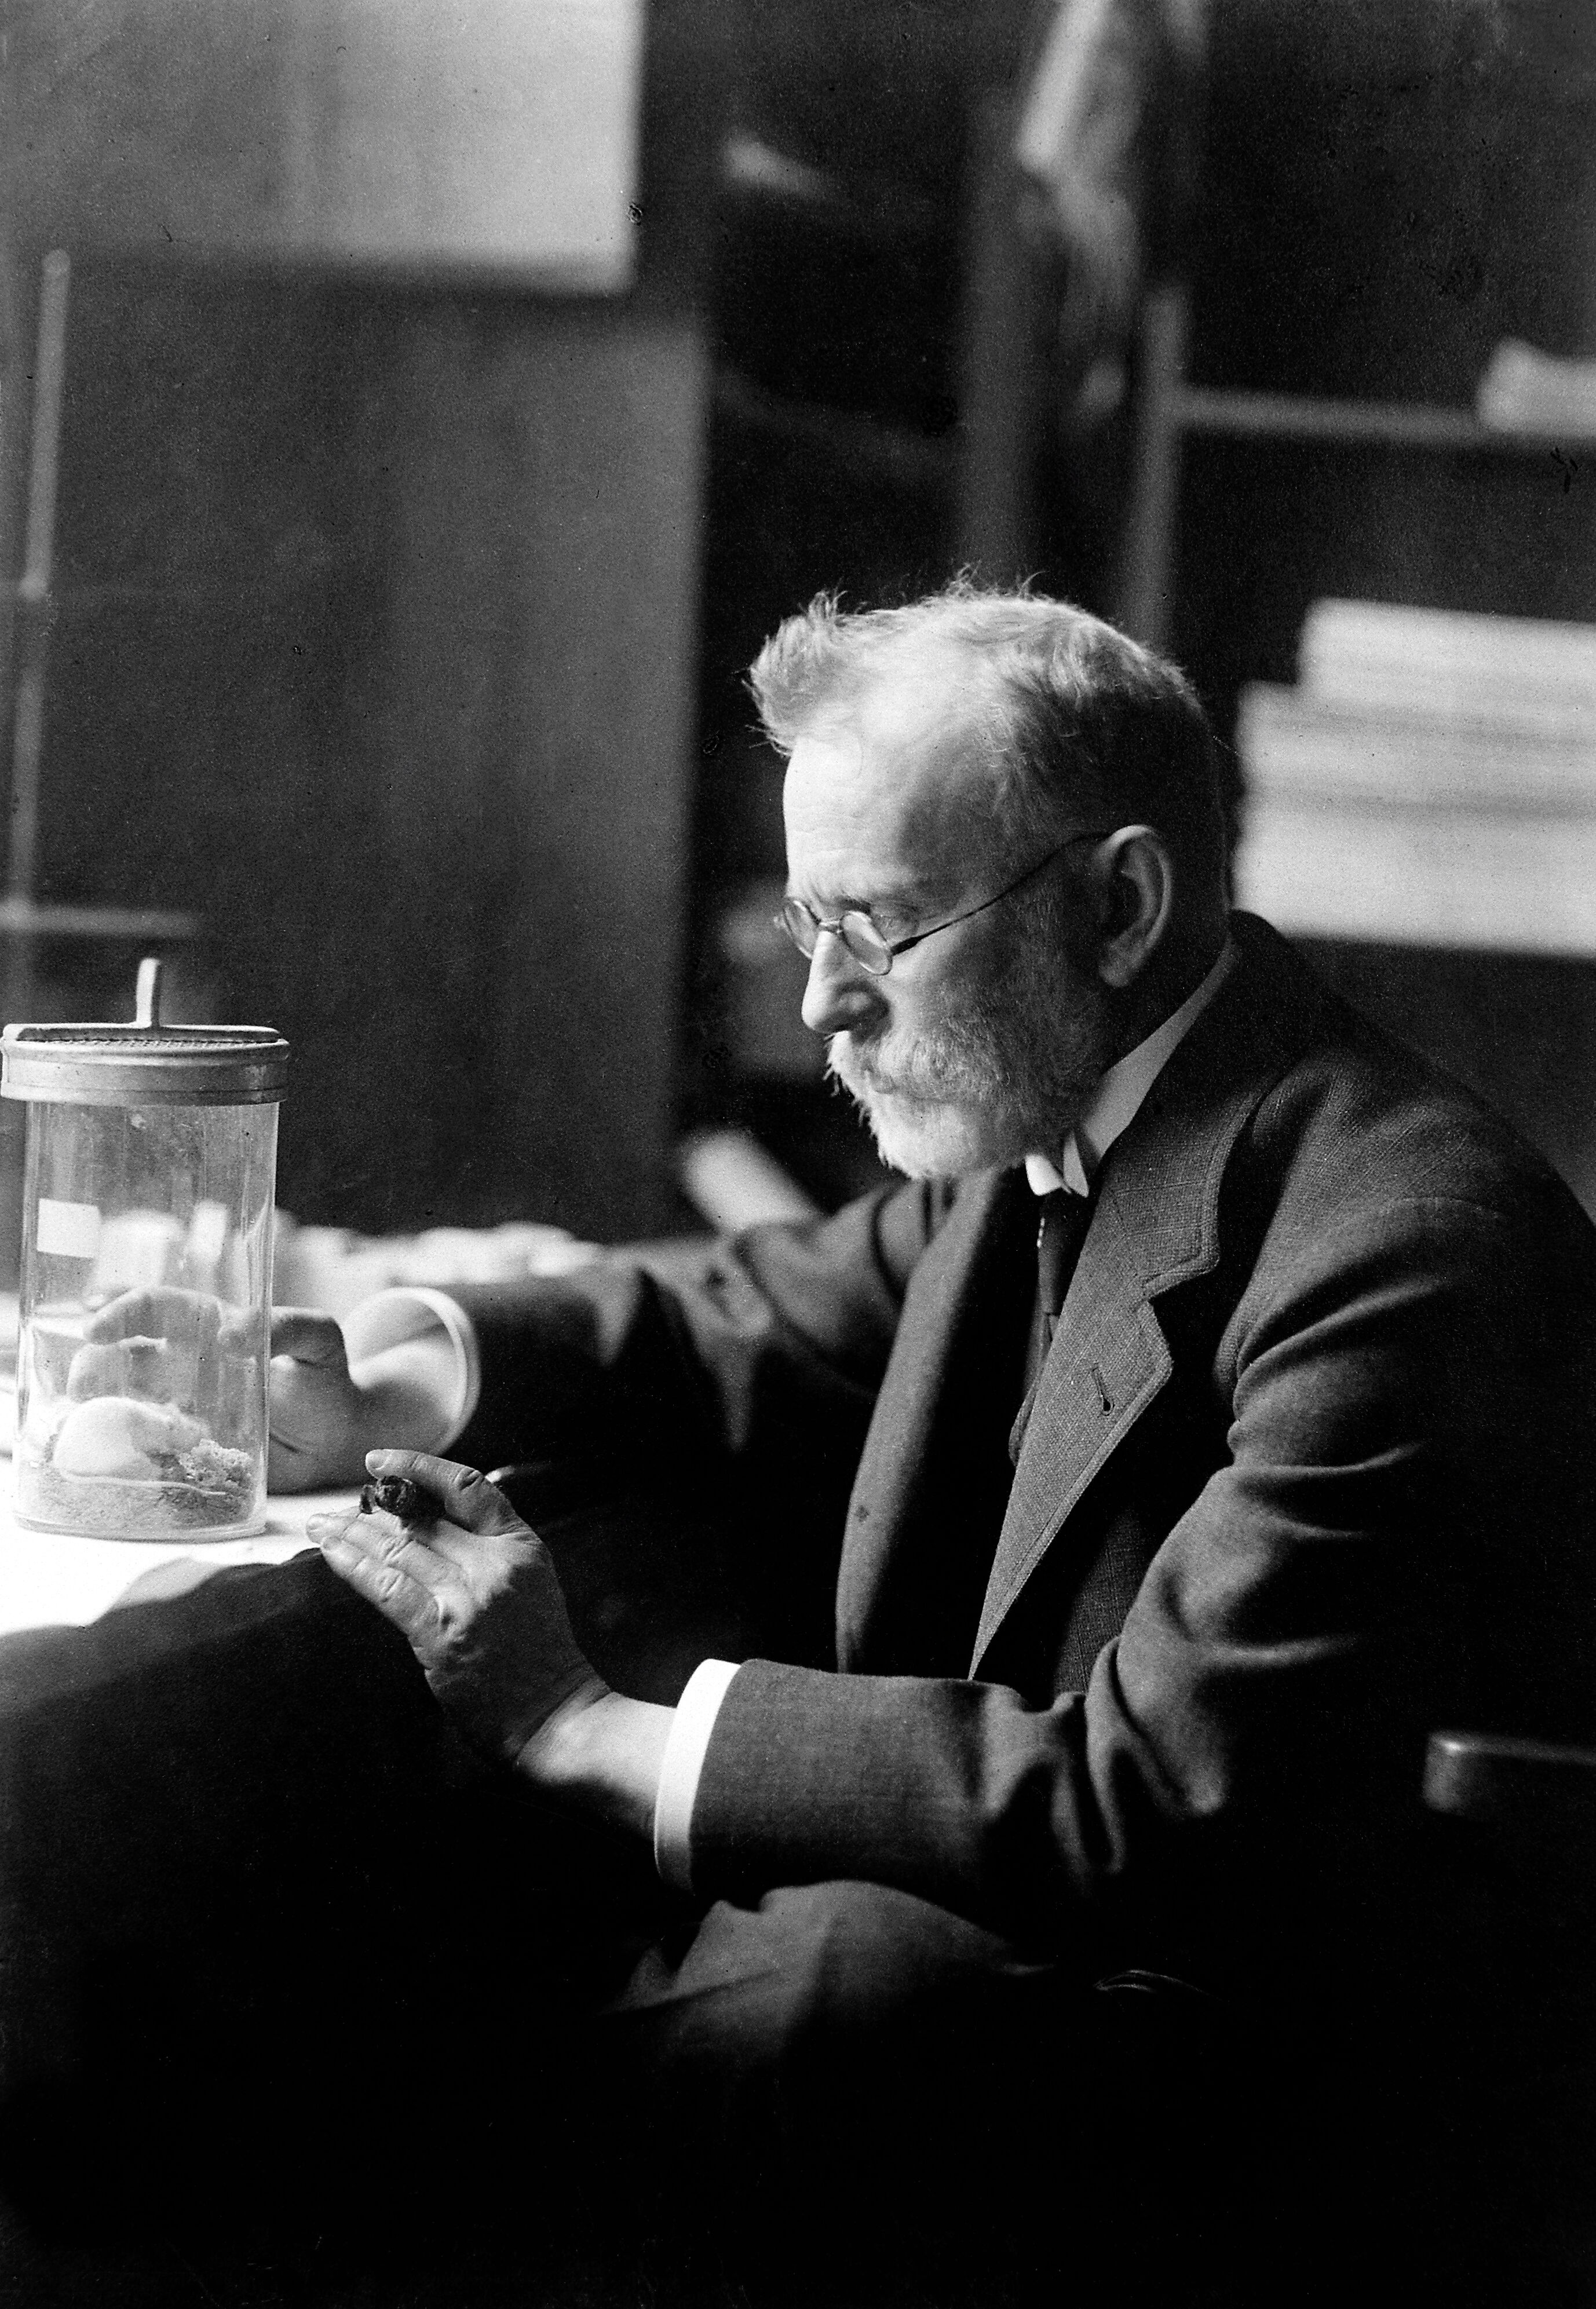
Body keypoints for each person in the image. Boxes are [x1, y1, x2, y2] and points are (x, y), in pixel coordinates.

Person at [269, 583, 1596, 2290]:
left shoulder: (1399, 1240)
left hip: (1317, 2113)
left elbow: (1150, 1797)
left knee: (548, 2061)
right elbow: (751, 1308)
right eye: (803, 924)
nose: (822, 1003)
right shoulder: (1063, 1107)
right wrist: (388, 1388)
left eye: (875, 927)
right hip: (1099, 1985)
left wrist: (589, 1728)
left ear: (1118, 903)